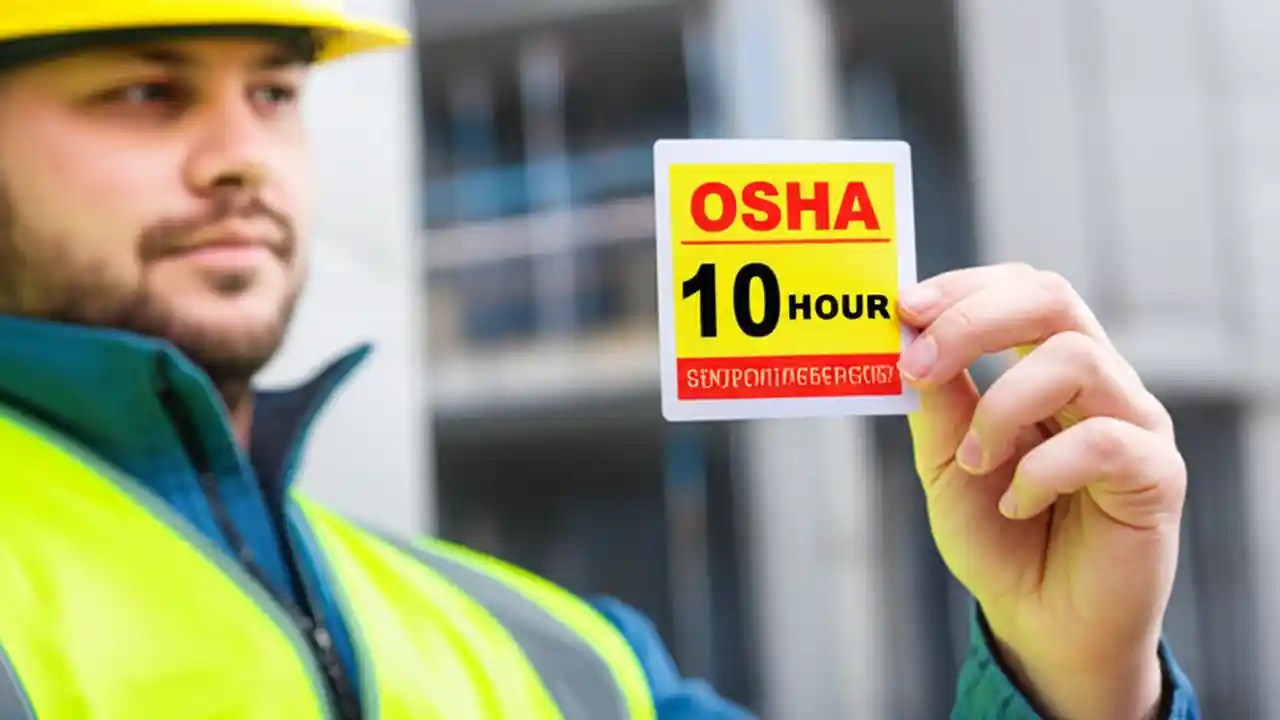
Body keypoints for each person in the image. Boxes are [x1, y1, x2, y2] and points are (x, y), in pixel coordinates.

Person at [0, 1, 1201, 718]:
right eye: (147, 91)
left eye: (272, 92)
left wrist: (1075, 682)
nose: (241, 158)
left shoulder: (562, 657)